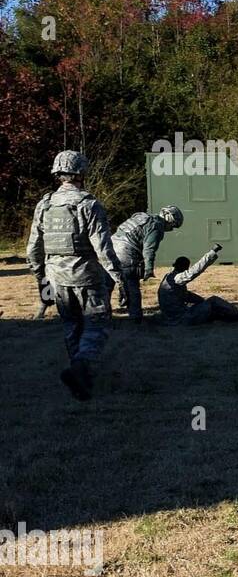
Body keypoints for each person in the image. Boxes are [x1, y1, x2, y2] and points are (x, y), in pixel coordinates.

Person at [25, 150, 125, 400]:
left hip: (56, 278)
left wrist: (41, 278)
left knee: (72, 326)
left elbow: (33, 248)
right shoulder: (89, 205)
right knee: (97, 325)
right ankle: (81, 366)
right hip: (87, 276)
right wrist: (119, 278)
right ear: (81, 173)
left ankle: (79, 375)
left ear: (58, 173)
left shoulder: (44, 205)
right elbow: (103, 248)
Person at [111, 205, 184, 321]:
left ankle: (100, 315)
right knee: (132, 284)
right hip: (127, 253)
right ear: (170, 219)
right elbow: (149, 249)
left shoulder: (141, 216)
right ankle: (135, 319)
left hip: (111, 247)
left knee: (106, 284)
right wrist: (149, 269)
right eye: (173, 226)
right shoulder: (156, 226)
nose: (171, 229)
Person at [157, 244, 238, 324]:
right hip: (182, 319)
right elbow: (195, 270)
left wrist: (201, 301)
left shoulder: (168, 277)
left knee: (211, 309)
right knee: (214, 301)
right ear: (185, 268)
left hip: (171, 318)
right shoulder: (177, 278)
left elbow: (185, 295)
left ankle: (233, 316)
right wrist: (212, 252)